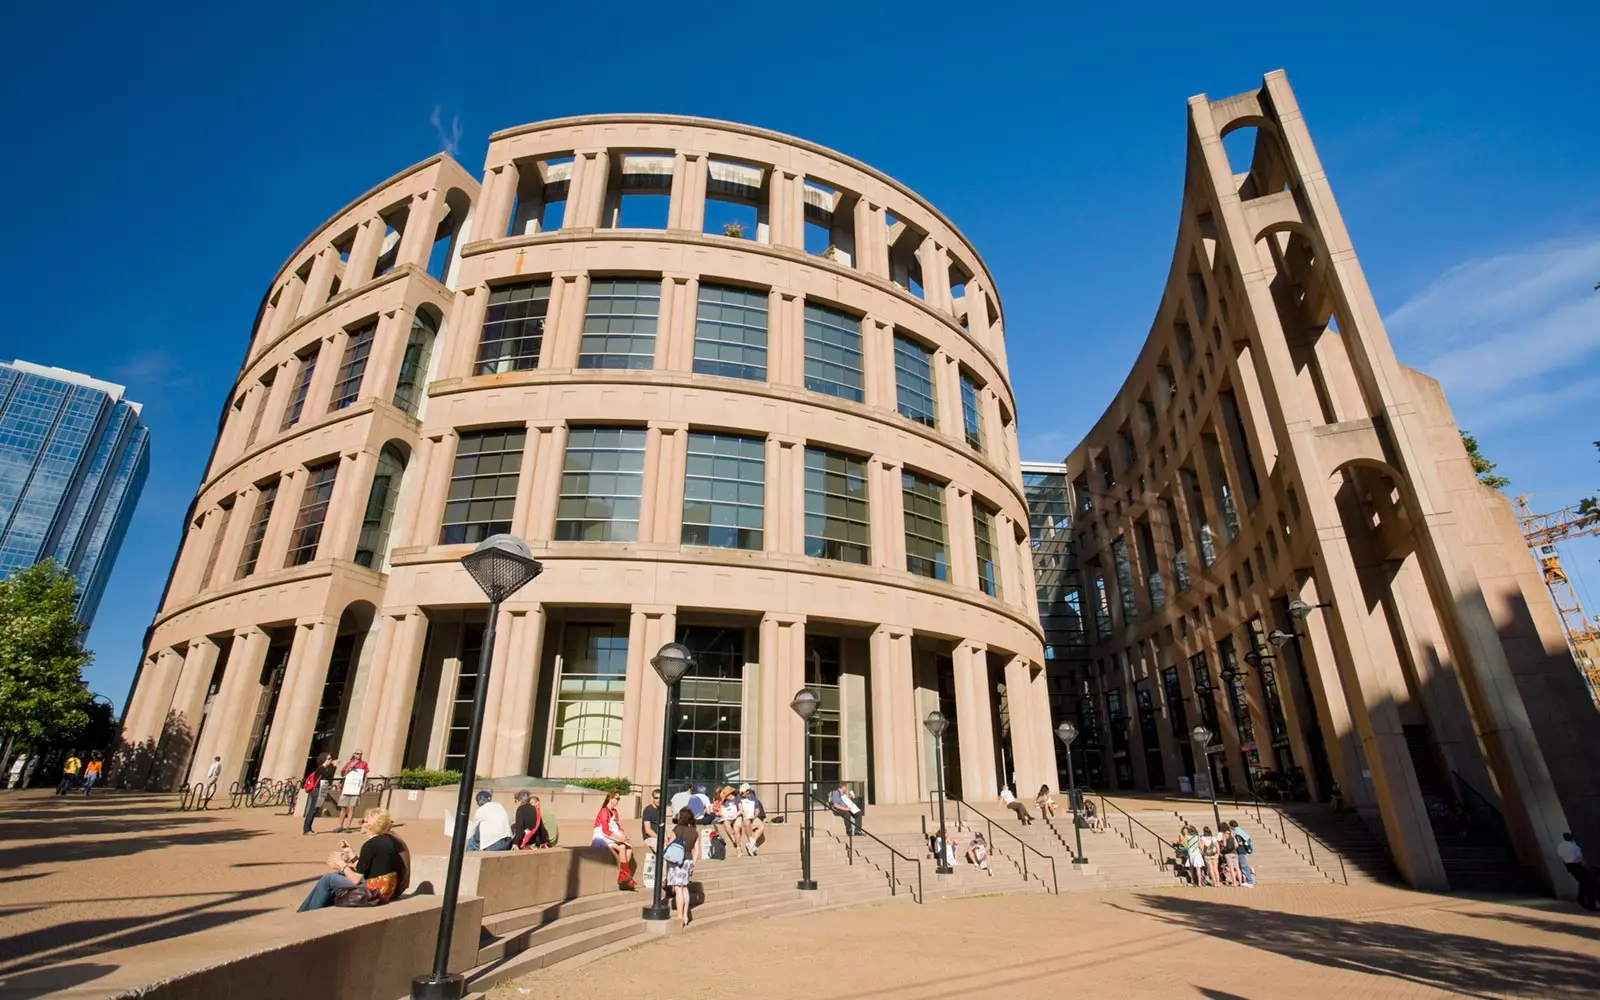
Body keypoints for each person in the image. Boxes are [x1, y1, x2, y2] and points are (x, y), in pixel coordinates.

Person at [298, 808, 409, 911]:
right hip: (386, 889)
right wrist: (350, 853)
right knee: (338, 876)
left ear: (371, 826)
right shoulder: (385, 841)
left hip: (374, 891)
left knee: (328, 879)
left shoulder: (369, 845)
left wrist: (342, 865)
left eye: (363, 821)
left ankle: (304, 913)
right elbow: (365, 868)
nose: (360, 824)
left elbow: (356, 879)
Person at [592, 790, 636, 890]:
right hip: (601, 837)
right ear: (610, 798)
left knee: (629, 849)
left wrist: (624, 837)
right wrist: (620, 839)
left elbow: (618, 828)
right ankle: (625, 876)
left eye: (619, 798)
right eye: (616, 798)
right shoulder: (604, 811)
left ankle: (623, 874)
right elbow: (604, 830)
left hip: (612, 837)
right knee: (621, 847)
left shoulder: (615, 812)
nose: (617, 800)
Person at [664, 807, 701, 928]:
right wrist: (693, 863)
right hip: (689, 860)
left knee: (678, 889)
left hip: (677, 861)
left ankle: (679, 916)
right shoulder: (694, 832)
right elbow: (697, 849)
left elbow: (670, 842)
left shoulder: (678, 829)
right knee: (685, 888)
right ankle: (685, 915)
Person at [1558, 832, 1597, 910]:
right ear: (1572, 838)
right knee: (1589, 884)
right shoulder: (1575, 847)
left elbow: (1560, 856)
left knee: (1582, 882)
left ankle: (1581, 898)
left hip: (1569, 865)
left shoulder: (1560, 846)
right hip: (1577, 865)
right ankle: (1590, 904)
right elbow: (1580, 858)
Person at [335, 750, 369, 833]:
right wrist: (350, 768)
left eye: (361, 754)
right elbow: (343, 774)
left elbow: (365, 776)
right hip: (347, 787)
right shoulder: (349, 763)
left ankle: (348, 826)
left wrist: (364, 786)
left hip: (355, 788)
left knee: (351, 807)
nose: (359, 755)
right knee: (343, 807)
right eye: (357, 753)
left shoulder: (364, 764)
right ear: (354, 754)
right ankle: (340, 825)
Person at [301, 753, 334, 835]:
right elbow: (329, 775)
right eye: (329, 759)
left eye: (330, 758)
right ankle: (306, 829)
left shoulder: (324, 768)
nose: (330, 760)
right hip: (316, 790)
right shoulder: (321, 769)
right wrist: (333, 766)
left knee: (315, 810)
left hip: (321, 790)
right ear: (324, 760)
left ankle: (309, 828)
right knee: (312, 810)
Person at [714, 786, 742, 859]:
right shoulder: (725, 801)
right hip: (729, 817)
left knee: (736, 828)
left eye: (727, 795)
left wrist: (735, 815)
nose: (727, 797)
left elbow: (741, 810)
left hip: (737, 815)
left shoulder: (737, 799)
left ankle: (738, 848)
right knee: (726, 823)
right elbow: (720, 809)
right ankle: (733, 839)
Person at [738, 785, 765, 856]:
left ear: (748, 791)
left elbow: (757, 810)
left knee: (761, 826)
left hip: (752, 816)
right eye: (741, 792)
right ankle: (751, 841)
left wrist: (754, 816)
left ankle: (751, 844)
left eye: (743, 792)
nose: (741, 794)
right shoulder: (739, 797)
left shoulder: (753, 798)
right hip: (743, 817)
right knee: (747, 822)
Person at [1228, 820, 1255, 887]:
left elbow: (1239, 843)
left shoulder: (1237, 833)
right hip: (1244, 850)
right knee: (1244, 865)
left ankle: (1249, 881)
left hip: (1241, 850)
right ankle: (1248, 880)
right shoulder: (1241, 831)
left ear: (1232, 826)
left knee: (1243, 865)